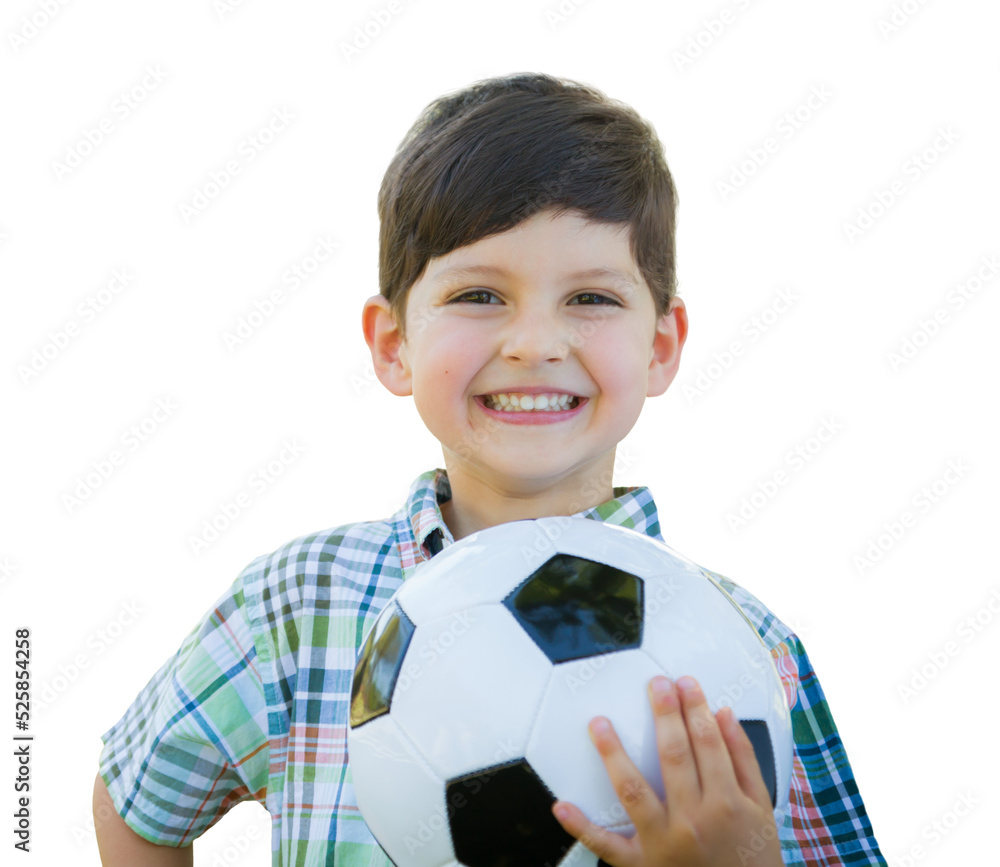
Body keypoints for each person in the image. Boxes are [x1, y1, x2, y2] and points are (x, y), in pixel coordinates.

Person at [93, 72, 886, 866]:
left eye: (592, 299)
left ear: (661, 347)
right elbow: (135, 800)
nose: (535, 342)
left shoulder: (744, 648)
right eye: (479, 293)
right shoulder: (296, 602)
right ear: (393, 343)